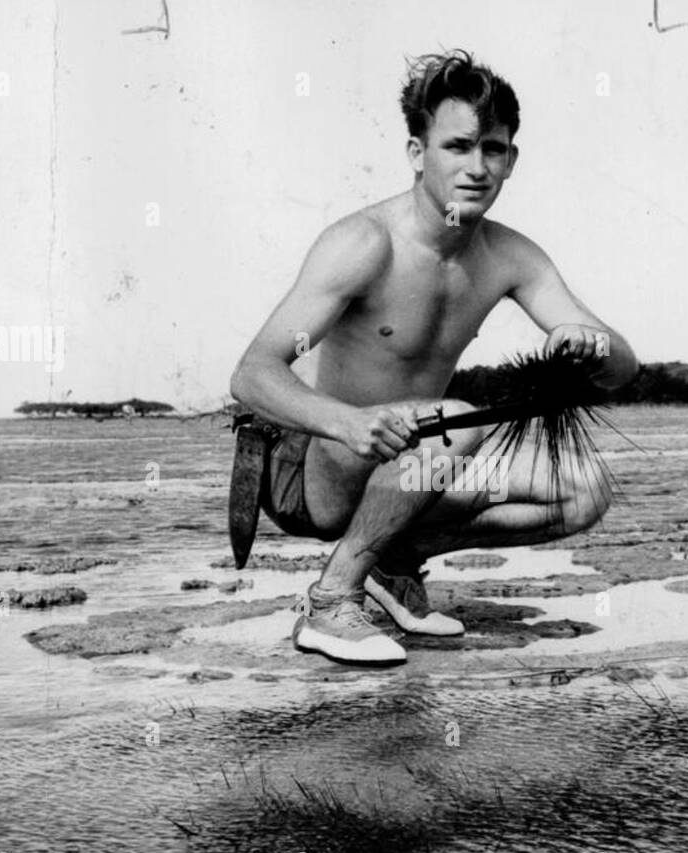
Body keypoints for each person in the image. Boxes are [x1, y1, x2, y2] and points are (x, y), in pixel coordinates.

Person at [230, 48, 637, 665]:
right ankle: (329, 601)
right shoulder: (364, 244)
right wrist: (347, 421)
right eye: (457, 146)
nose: (476, 167)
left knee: (585, 490)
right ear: (418, 154)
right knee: (452, 423)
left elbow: (624, 367)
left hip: (416, 466)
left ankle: (392, 563)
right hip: (316, 467)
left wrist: (589, 344)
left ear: (511, 160)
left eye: (492, 149)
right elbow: (252, 375)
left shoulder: (510, 256)